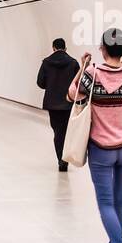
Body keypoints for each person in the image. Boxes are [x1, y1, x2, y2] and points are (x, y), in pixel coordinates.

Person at [69, 27, 122, 243]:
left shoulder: (92, 74)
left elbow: (72, 94)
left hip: (102, 149)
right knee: (119, 200)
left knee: (105, 203)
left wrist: (82, 66)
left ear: (102, 49)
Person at [36, 37, 79, 171]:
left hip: (52, 104)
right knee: (66, 131)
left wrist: (51, 84)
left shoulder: (46, 62)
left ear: (53, 48)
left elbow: (40, 83)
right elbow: (79, 83)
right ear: (65, 48)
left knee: (57, 132)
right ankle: (64, 158)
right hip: (68, 103)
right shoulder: (73, 63)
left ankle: (61, 159)